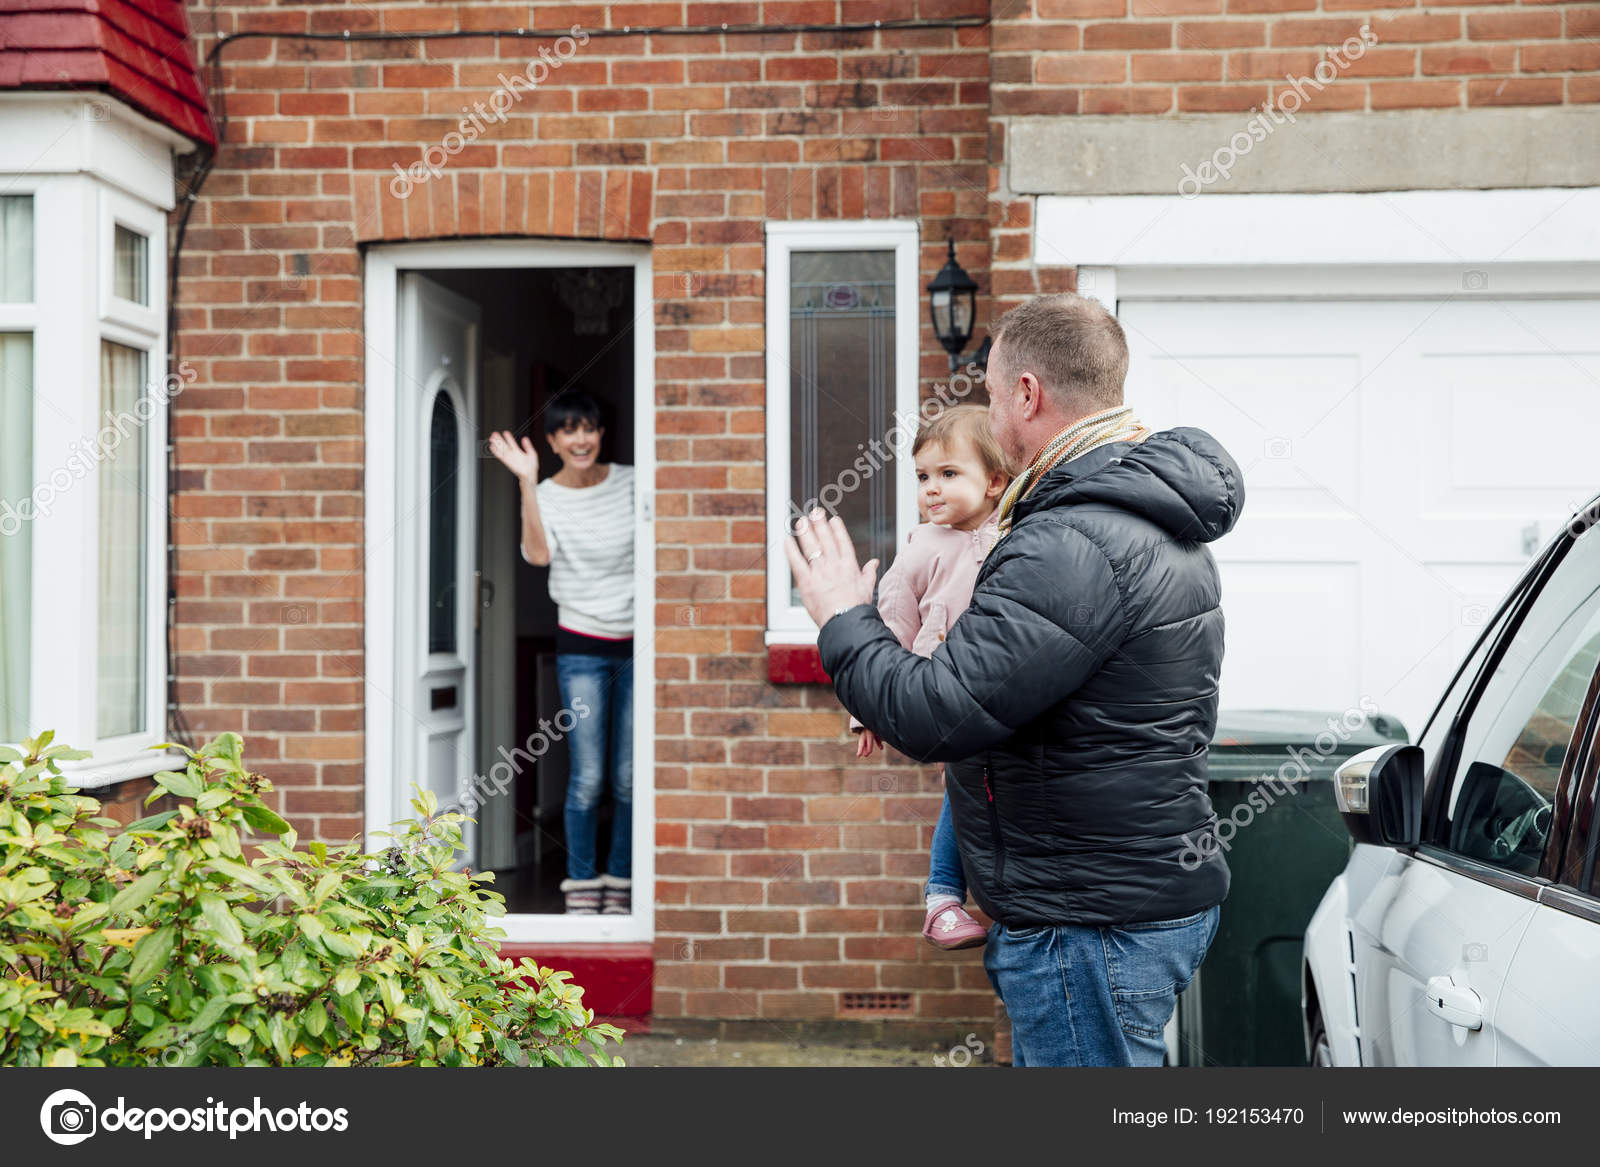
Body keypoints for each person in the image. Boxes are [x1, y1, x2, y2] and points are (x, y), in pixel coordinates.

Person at [785, 293, 1243, 1066]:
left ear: (1028, 394)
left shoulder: (1071, 542)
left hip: (1087, 925)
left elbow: (938, 713)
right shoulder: (1133, 514)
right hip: (1115, 906)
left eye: (993, 394)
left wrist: (841, 617)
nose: (989, 412)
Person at [849, 405, 1010, 950]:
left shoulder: (1016, 532)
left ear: (995, 480)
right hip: (945, 694)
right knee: (961, 792)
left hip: (1006, 692)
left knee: (995, 792)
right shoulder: (921, 548)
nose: (931, 490)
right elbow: (891, 625)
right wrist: (868, 708)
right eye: (922, 477)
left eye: (948, 474)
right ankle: (942, 900)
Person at [488, 390, 634, 916]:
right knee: (590, 774)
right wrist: (526, 482)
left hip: (638, 646)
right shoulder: (546, 492)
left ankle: (620, 879)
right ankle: (580, 884)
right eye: (567, 430)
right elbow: (538, 554)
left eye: (588, 428)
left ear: (600, 434)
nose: (580, 439)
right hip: (581, 647)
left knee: (629, 775)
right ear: (552, 440)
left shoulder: (632, 482)